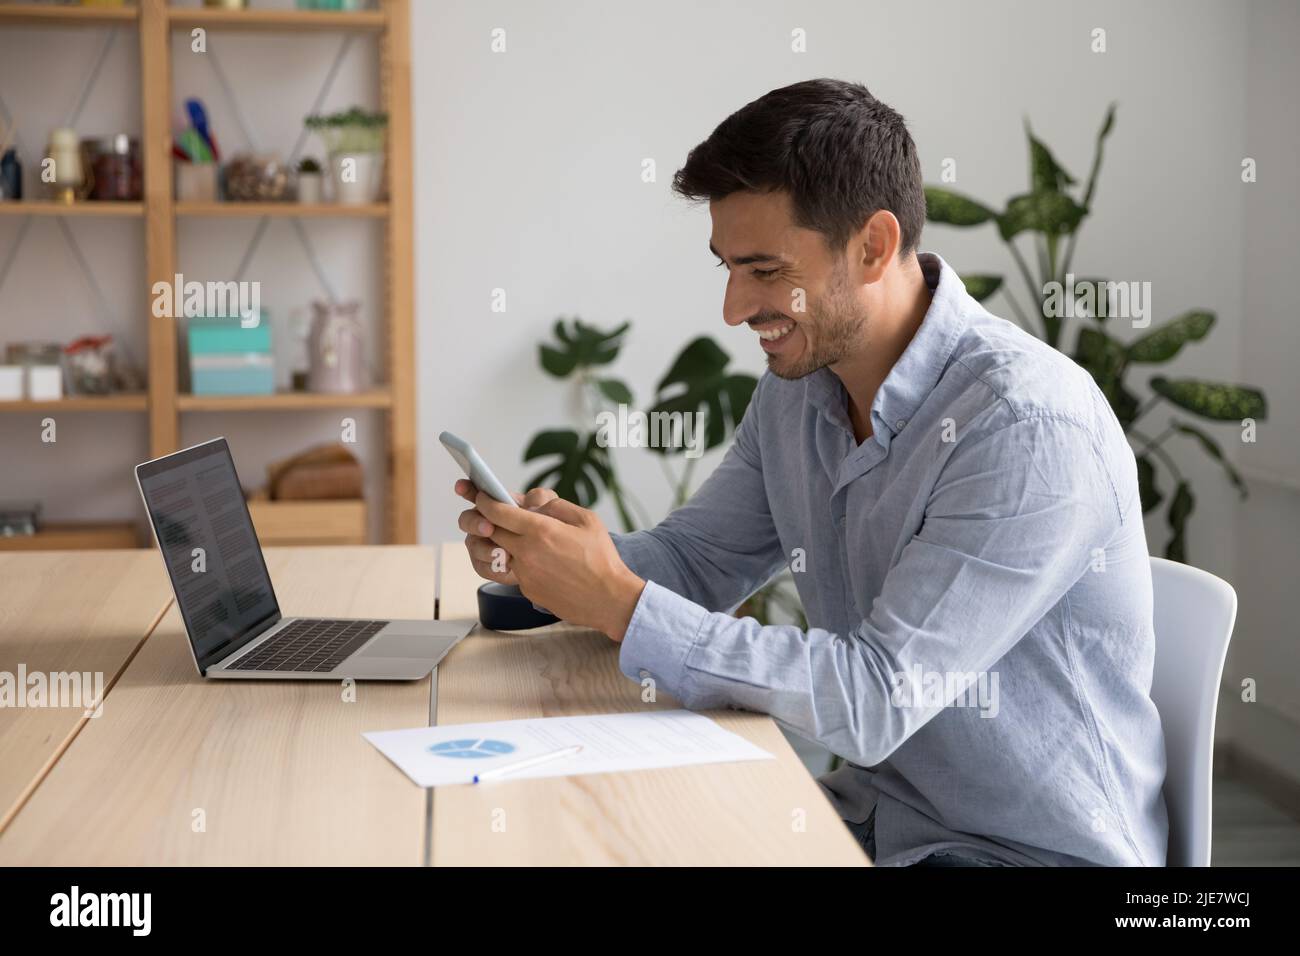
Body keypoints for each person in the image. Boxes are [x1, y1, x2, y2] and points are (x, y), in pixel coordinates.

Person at [455, 78, 1168, 867]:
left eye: (763, 271)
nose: (733, 308)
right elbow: (697, 562)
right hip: (877, 823)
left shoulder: (1026, 426)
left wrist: (620, 601)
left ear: (873, 246)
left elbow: (875, 699)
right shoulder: (797, 397)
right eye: (728, 267)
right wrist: (556, 556)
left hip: (1023, 855)